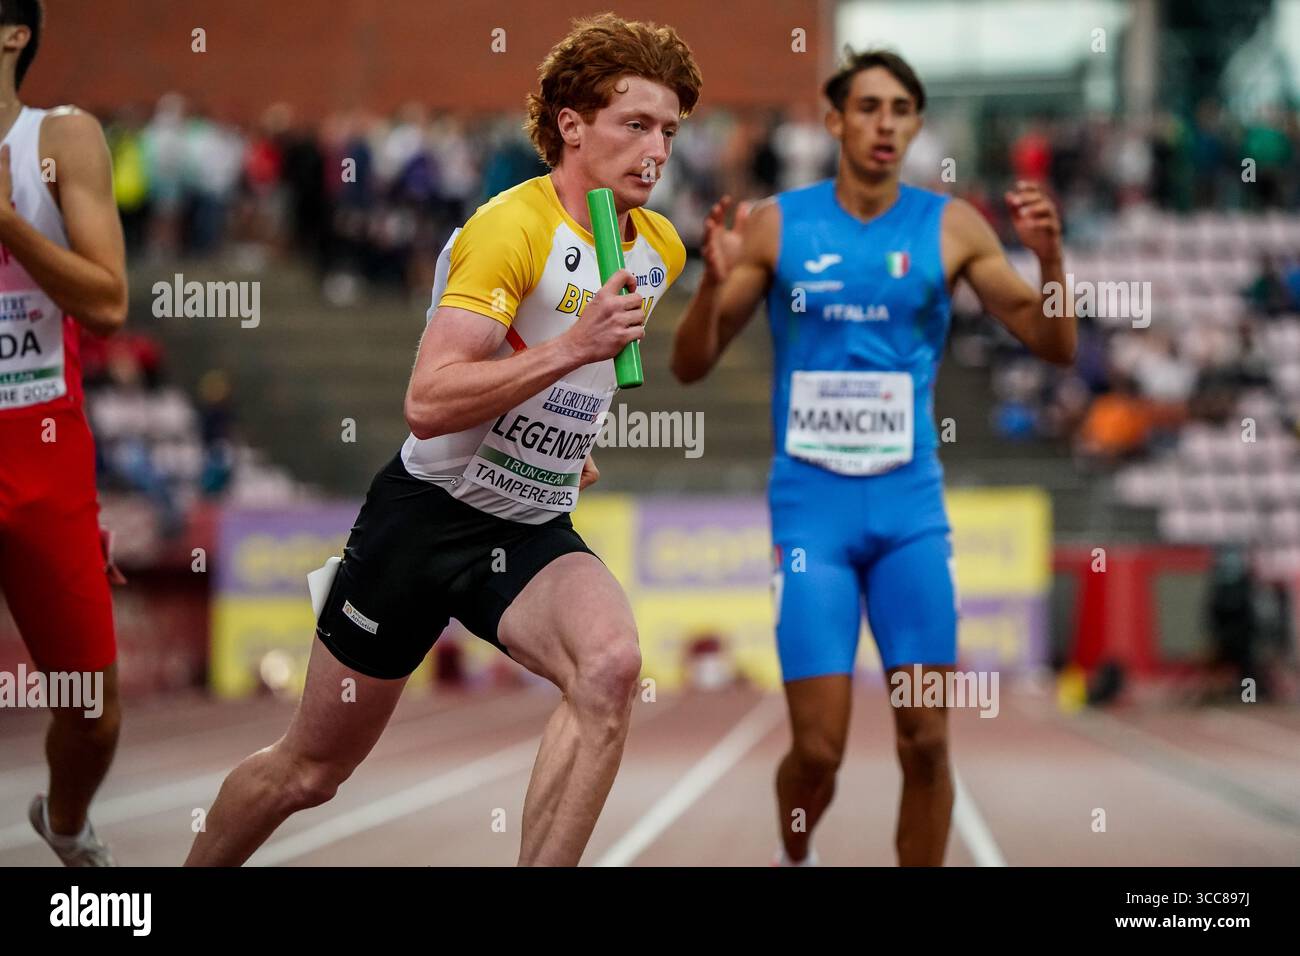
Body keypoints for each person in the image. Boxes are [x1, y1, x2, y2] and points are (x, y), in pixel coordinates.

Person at [186, 13, 698, 868]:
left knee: (610, 666)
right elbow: (427, 400)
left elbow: (576, 371)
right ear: (571, 125)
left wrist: (569, 437)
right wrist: (577, 349)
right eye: (635, 124)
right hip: (423, 521)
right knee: (309, 772)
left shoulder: (661, 251)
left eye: (671, 132)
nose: (657, 150)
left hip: (528, 527)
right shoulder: (510, 230)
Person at [672, 49, 1075, 866]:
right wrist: (711, 287)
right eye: (868, 107)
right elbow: (690, 363)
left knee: (926, 739)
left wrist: (1052, 261)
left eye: (901, 110)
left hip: (909, 516)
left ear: (916, 125)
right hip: (810, 515)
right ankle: (796, 854)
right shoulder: (779, 224)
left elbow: (1054, 342)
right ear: (836, 121)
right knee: (818, 752)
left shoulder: (953, 225)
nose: (885, 123)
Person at [0, 0, 129, 866]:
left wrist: (8, 223)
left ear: (13, 33)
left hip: (37, 438)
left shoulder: (61, 139)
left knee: (92, 711)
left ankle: (70, 824)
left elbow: (109, 302)